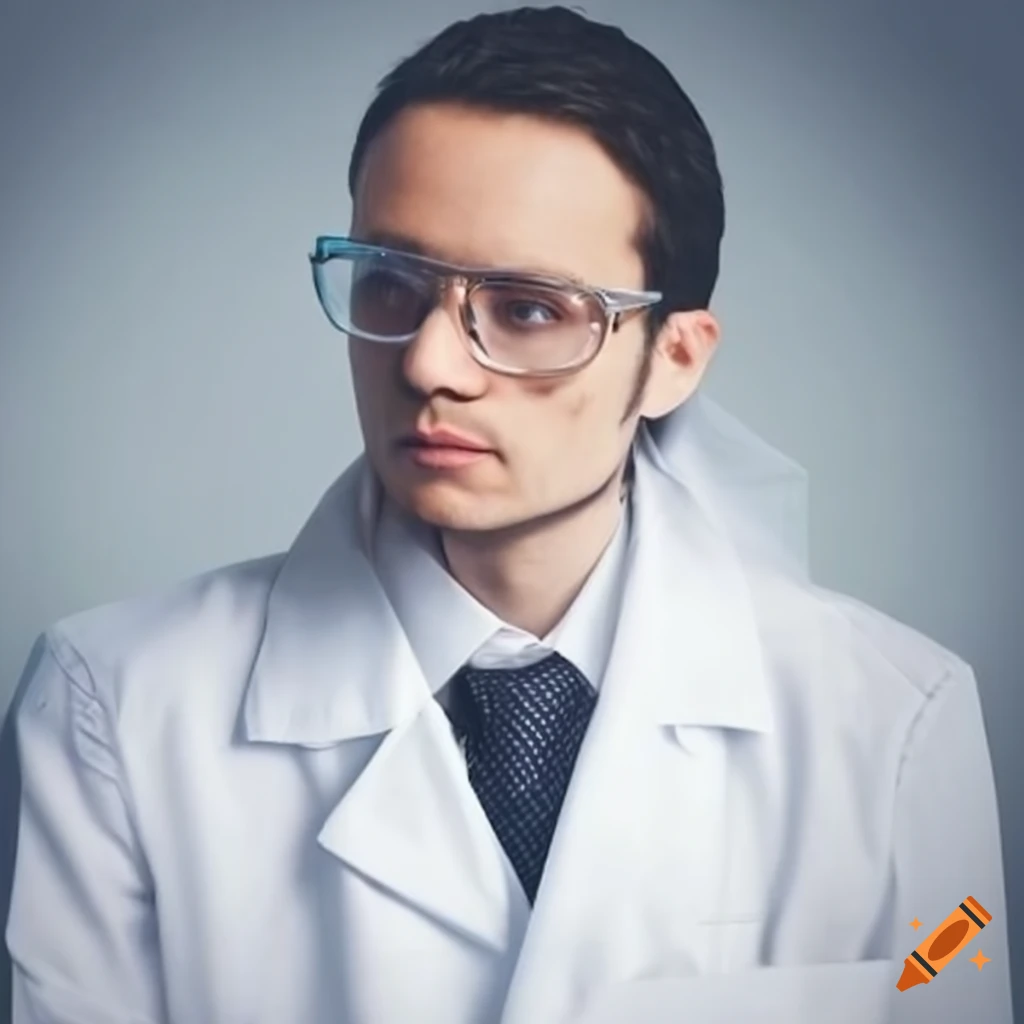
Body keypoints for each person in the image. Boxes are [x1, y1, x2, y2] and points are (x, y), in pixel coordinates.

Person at [3, 6, 1012, 1023]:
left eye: (528, 308)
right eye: (390, 282)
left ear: (674, 358)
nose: (429, 364)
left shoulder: (894, 720)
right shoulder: (115, 710)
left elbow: (948, 979)